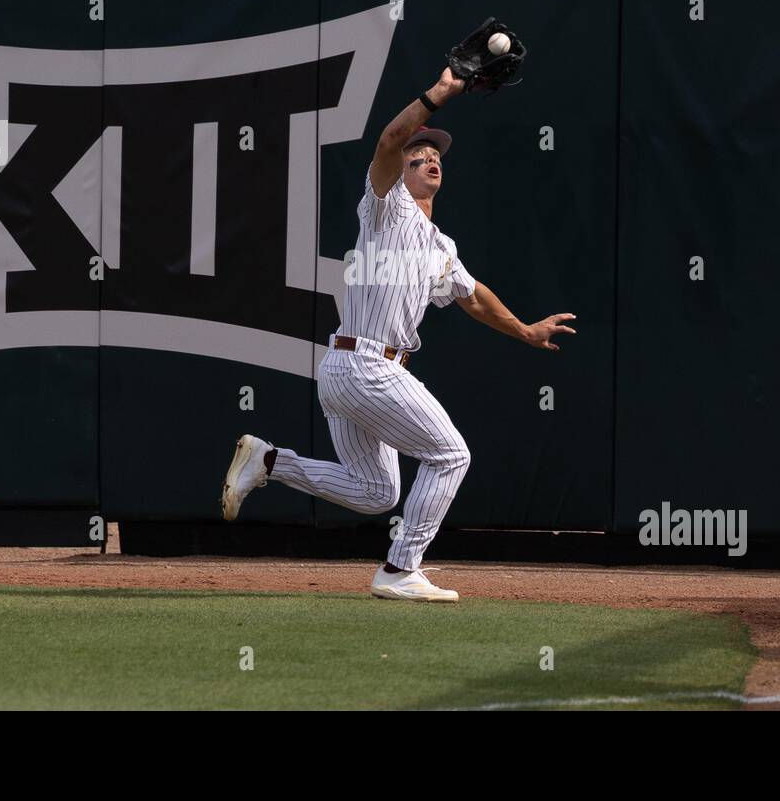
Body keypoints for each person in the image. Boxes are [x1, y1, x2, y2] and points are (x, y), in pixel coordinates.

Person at [221, 65, 576, 602]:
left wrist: (525, 330)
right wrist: (441, 93)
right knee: (451, 456)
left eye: (435, 156)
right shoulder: (386, 206)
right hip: (367, 366)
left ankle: (269, 461)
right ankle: (399, 568)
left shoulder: (440, 245)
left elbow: (473, 296)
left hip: (347, 372)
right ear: (399, 173)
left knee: (376, 492)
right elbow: (390, 139)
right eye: (418, 157)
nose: (430, 159)